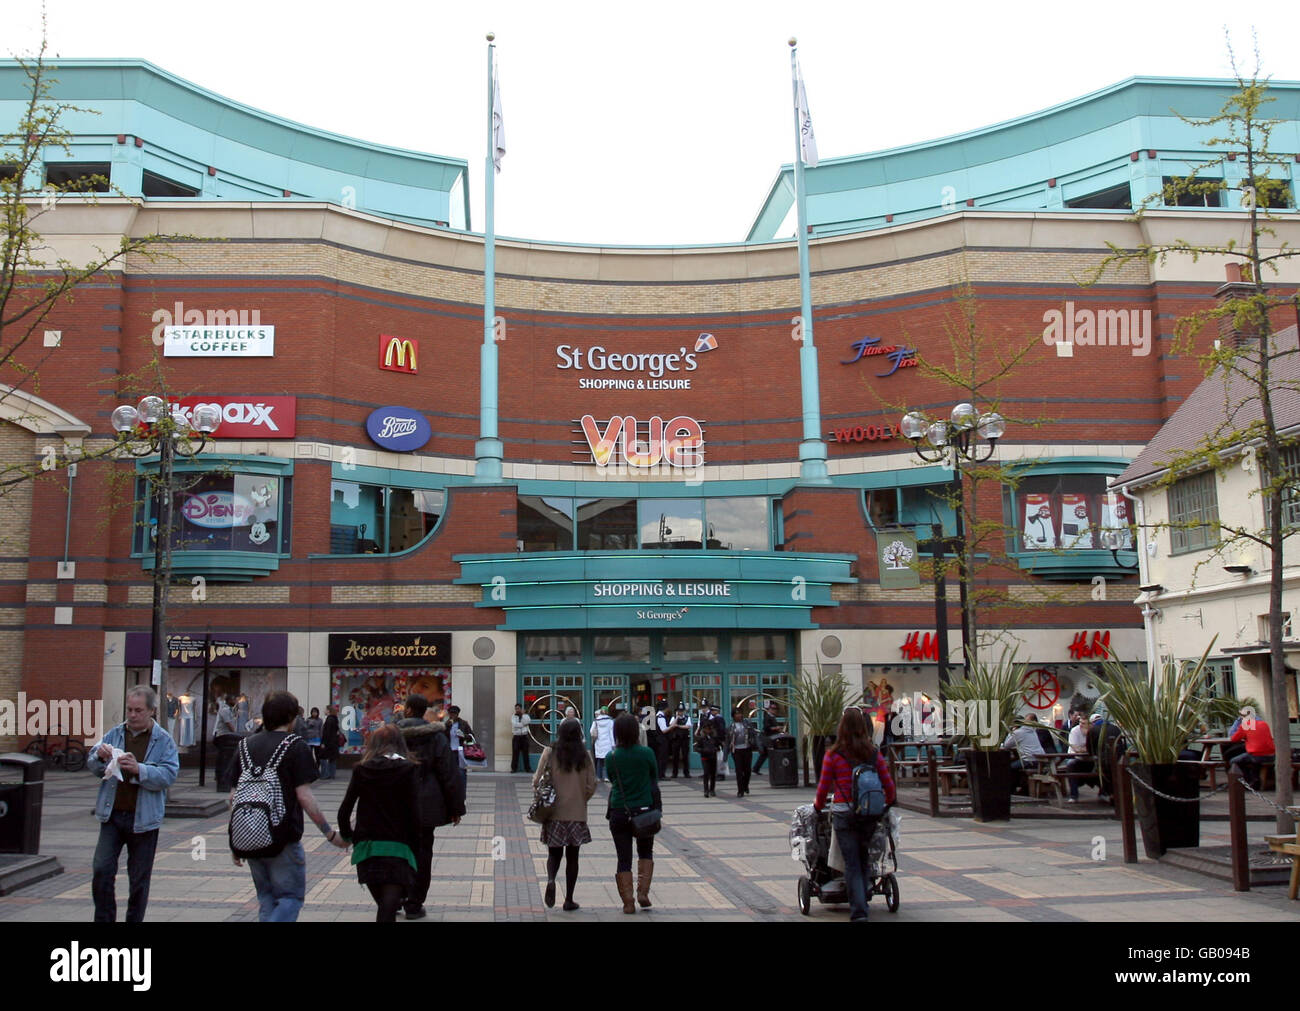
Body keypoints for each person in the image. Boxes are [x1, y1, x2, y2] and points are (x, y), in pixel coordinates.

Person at [231, 690, 346, 921]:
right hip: (283, 836)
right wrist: (329, 833)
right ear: (292, 718)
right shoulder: (295, 746)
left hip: (250, 836)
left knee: (266, 898)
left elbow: (234, 797)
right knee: (290, 898)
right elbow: (304, 797)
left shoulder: (244, 746)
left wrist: (235, 840)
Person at [87, 685, 180, 923]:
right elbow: (93, 763)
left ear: (151, 711)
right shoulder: (115, 734)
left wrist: (140, 770)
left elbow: (169, 775)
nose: (132, 715)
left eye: (138, 710)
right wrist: (100, 757)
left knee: (139, 879)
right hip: (112, 814)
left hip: (144, 819)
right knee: (102, 870)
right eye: (129, 709)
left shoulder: (163, 740)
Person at [812, 707, 896, 923]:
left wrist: (817, 806)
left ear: (841, 728)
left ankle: (859, 911)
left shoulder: (833, 755)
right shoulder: (873, 753)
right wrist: (887, 803)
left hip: (843, 813)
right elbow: (888, 784)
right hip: (868, 813)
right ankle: (863, 898)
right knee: (863, 857)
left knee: (851, 863)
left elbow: (823, 788)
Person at [337, 725, 420, 922]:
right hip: (399, 846)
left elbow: (345, 809)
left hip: (367, 846)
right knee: (388, 905)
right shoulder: (409, 769)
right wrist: (416, 844)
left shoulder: (362, 769)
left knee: (384, 904)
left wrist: (348, 835)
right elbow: (415, 812)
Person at [396, 693, 465, 919]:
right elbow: (448, 773)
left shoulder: (391, 736)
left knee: (397, 850)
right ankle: (414, 903)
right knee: (423, 853)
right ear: (424, 711)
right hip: (426, 804)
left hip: (396, 804)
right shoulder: (436, 737)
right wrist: (456, 808)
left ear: (407, 710)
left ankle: (395, 896)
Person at [534, 718, 597, 911]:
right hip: (576, 813)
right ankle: (569, 898)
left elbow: (537, 780)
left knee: (554, 853)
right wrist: (580, 799)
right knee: (573, 856)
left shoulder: (550, 752)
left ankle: (552, 879)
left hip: (554, 812)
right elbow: (591, 785)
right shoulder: (584, 756)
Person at [605, 713, 661, 913]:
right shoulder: (646, 753)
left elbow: (611, 778)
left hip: (620, 810)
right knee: (645, 851)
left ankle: (628, 902)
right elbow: (654, 776)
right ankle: (643, 893)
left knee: (623, 857)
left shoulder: (611, 756)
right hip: (644, 811)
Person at [1228, 707, 1275, 789]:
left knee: (1233, 761)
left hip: (1256, 755)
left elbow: (1234, 738)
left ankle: (1247, 782)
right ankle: (1255, 779)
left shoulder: (1246, 725)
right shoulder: (1264, 724)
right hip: (1271, 755)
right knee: (1249, 757)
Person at [1002, 720, 1048, 792]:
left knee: (1010, 767)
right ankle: (1022, 788)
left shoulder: (1018, 732)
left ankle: (1012, 790)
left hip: (1029, 760)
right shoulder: (1032, 731)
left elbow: (1006, 745)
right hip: (1040, 760)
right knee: (1016, 766)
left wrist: (1011, 733)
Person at [1061, 710, 1094, 803]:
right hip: (1075, 758)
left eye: (1084, 723)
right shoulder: (1075, 731)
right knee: (1071, 766)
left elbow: (1095, 748)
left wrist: (1084, 748)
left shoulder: (1093, 731)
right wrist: (1086, 748)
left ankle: (1104, 793)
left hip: (1091, 759)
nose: (1081, 725)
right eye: (1080, 722)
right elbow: (1076, 749)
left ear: (1090, 724)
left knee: (1104, 766)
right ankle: (1074, 795)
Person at [213, 693, 241, 792]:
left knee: (226, 759)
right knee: (223, 759)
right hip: (223, 736)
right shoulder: (224, 710)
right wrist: (236, 734)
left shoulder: (231, 709)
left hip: (228, 736)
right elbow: (229, 724)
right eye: (234, 700)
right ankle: (221, 779)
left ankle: (224, 779)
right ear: (230, 700)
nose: (235, 702)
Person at [729, 708, 757, 796]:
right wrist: (726, 753)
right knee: (739, 770)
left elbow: (753, 734)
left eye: (740, 713)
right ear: (733, 716)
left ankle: (745, 785)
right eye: (736, 714)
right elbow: (728, 740)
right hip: (736, 750)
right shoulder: (731, 726)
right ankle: (740, 790)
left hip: (747, 749)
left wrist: (757, 745)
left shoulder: (747, 724)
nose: (738, 716)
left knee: (747, 770)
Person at [445, 705, 472, 797]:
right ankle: (452, 795)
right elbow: (443, 738)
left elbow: (471, 737)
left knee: (461, 774)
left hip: (460, 752)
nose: (452, 716)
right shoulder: (447, 724)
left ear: (457, 714)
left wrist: (463, 736)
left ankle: (462, 795)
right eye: (450, 714)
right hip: (450, 752)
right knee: (450, 774)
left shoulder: (464, 724)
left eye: (454, 714)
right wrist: (446, 727)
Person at [752, 700, 782, 776]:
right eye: (773, 709)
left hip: (771, 738)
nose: (775, 711)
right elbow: (767, 728)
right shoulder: (768, 717)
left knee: (765, 755)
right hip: (768, 739)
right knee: (770, 754)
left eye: (775, 709)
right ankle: (774, 768)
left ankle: (756, 768)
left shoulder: (772, 717)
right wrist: (776, 728)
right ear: (770, 710)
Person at [694, 716, 721, 797]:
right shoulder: (701, 738)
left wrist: (716, 749)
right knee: (706, 773)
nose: (707, 730)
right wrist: (703, 750)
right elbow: (696, 747)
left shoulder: (714, 737)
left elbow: (719, 745)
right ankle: (706, 790)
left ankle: (712, 789)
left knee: (713, 774)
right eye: (706, 728)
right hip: (705, 757)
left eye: (709, 728)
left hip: (713, 756)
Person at [590, 704, 617, 782]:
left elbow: (591, 731)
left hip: (598, 742)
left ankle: (598, 776)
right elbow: (611, 733)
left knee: (599, 760)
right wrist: (613, 744)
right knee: (606, 761)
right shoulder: (610, 721)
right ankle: (606, 776)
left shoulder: (596, 721)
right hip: (607, 742)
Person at [668, 704, 692, 778]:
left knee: (685, 756)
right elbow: (671, 725)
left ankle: (686, 773)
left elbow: (688, 726)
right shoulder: (674, 717)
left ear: (684, 711)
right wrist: (677, 718)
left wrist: (678, 726)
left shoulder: (687, 718)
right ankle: (674, 773)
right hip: (676, 739)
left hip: (684, 739)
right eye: (679, 711)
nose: (680, 712)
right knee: (675, 756)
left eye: (681, 711)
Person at [319, 704, 341, 780]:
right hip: (334, 742)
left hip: (328, 742)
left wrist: (323, 743)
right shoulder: (335, 719)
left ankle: (325, 774)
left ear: (328, 711)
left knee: (323, 757)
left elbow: (327, 733)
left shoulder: (329, 719)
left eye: (325, 709)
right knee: (332, 758)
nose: (324, 711)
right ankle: (332, 774)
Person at [648, 702, 669, 779]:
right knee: (662, 758)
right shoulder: (661, 717)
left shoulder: (656, 716)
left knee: (659, 757)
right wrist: (673, 726)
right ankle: (661, 774)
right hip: (661, 740)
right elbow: (664, 730)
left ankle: (659, 774)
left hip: (657, 741)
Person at [510, 703, 532, 773]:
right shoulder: (513, 716)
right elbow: (515, 725)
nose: (517, 710)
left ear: (521, 709)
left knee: (525, 753)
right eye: (516, 709)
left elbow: (527, 721)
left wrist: (522, 716)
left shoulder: (526, 716)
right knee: (515, 753)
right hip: (516, 736)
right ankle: (514, 768)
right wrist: (522, 724)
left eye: (518, 708)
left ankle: (527, 769)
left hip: (524, 737)